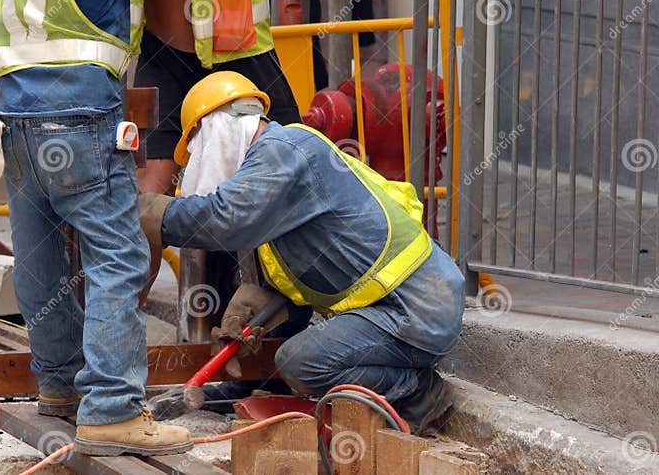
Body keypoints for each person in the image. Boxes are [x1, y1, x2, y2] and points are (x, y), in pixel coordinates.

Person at [139, 72, 466, 434]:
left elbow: (224, 219)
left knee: (301, 362)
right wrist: (259, 325)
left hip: (417, 310)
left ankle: (417, 391)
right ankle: (271, 384)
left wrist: (145, 211)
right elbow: (301, 274)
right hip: (401, 306)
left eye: (198, 146)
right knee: (290, 354)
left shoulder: (282, 149)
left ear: (217, 129)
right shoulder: (277, 164)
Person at [0, 0, 193, 456]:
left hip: (11, 111)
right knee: (118, 257)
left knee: (38, 256)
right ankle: (113, 409)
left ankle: (61, 381)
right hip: (80, 106)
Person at [134, 0, 301, 292]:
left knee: (290, 171)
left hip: (238, 45)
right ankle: (122, 325)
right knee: (145, 194)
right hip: (157, 52)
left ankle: (292, 309)